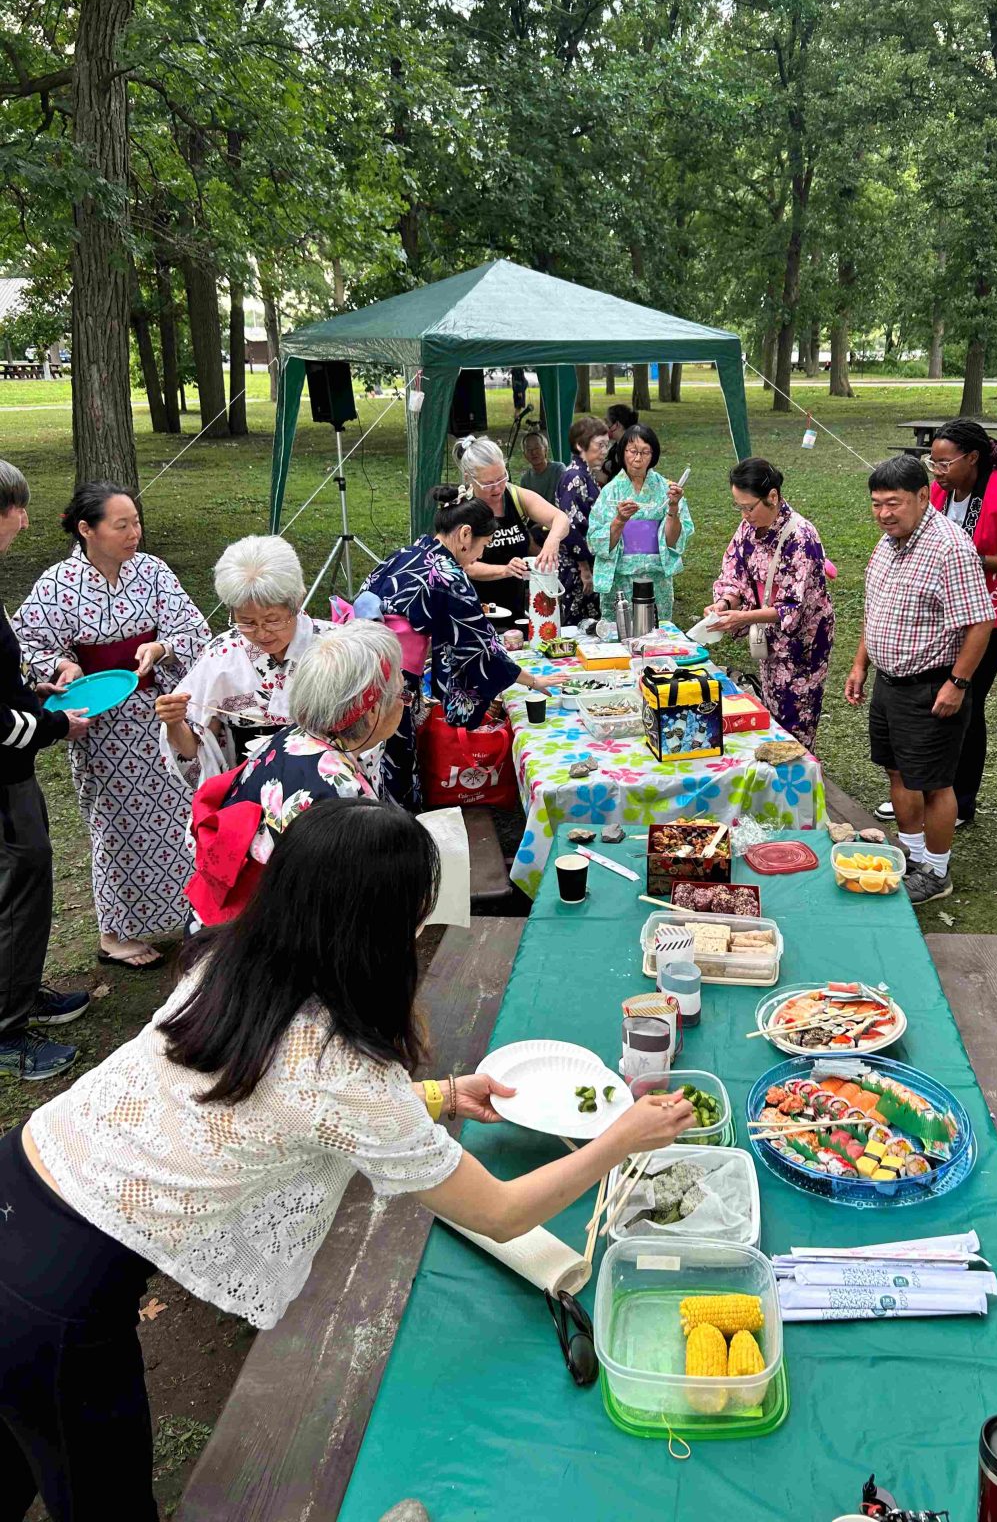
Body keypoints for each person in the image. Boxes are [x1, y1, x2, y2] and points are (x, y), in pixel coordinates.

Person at [0, 798, 695, 1516]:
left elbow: (275, 1104)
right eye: (416, 914)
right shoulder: (343, 1067)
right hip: (54, 1297)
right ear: (376, 931)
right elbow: (501, 1212)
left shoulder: (228, 962)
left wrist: (439, 1097)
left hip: (18, 1177)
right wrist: (619, 1140)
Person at [13, 484, 210, 969]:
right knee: (114, 822)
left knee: (181, 815)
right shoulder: (57, 584)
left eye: (136, 522)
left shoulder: (154, 570)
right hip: (103, 724)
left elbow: (194, 627)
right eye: (121, 525)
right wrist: (63, 664)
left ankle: (193, 912)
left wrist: (161, 648)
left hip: (161, 712)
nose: (133, 533)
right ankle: (115, 933)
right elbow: (25, 644)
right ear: (87, 529)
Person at [875, 419, 997, 825]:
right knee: (922, 703)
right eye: (932, 463)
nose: (937, 472)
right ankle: (916, 789)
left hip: (993, 612)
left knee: (965, 700)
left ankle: (958, 798)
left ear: (972, 458)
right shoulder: (939, 492)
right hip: (941, 612)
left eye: (944, 463)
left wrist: (976, 559)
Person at [844, 456, 994, 905]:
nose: (884, 513)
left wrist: (957, 684)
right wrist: (860, 665)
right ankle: (910, 856)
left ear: (923, 497)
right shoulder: (888, 543)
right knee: (898, 773)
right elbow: (875, 610)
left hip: (931, 687)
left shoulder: (950, 548)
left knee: (934, 783)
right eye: (876, 504)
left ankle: (937, 871)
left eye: (894, 503)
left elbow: (980, 622)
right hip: (889, 683)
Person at [186, 622, 407, 924]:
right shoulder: (342, 794)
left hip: (223, 918)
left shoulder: (292, 737)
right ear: (370, 712)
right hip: (256, 938)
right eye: (403, 694)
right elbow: (347, 910)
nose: (405, 702)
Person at [361, 488, 558, 802]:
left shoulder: (409, 551)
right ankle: (393, 821)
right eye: (483, 544)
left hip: (359, 659)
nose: (481, 554)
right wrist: (533, 681)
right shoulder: (449, 576)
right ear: (465, 534)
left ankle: (370, 807)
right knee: (393, 755)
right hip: (392, 673)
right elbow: (481, 648)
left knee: (367, 753)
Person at [0, 463, 92, 1082]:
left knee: (26, 885)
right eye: (18, 509)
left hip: (13, 771)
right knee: (16, 892)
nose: (27, 521)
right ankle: (6, 1034)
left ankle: (20, 992)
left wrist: (33, 690)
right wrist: (53, 726)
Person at [155, 535, 334, 788]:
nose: (261, 633)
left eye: (272, 620)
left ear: (296, 602)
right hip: (250, 793)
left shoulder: (336, 647)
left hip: (328, 788)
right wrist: (174, 723)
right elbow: (194, 750)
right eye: (247, 622)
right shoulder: (222, 655)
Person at [705, 458, 835, 747]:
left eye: (749, 507)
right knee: (771, 708)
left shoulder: (801, 537)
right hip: (769, 635)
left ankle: (798, 770)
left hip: (802, 644)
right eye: (739, 507)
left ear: (773, 496)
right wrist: (725, 603)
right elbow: (734, 573)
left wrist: (743, 617)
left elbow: (792, 606)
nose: (744, 515)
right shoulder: (748, 528)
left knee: (795, 722)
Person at [587, 423, 692, 627]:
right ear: (622, 452)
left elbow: (673, 542)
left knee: (656, 631)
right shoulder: (610, 492)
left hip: (656, 577)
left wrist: (673, 507)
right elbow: (596, 542)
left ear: (653, 455)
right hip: (620, 576)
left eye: (645, 452)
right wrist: (619, 521)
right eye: (632, 451)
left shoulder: (666, 489)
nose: (638, 458)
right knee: (619, 629)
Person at [456, 437, 570, 625]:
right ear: (469, 478)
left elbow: (560, 519)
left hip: (515, 610)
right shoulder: (462, 509)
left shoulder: (515, 496)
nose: (497, 488)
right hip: (477, 612)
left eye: (502, 478)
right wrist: (505, 570)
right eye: (488, 484)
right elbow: (466, 566)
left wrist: (552, 542)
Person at [554, 414, 609, 626]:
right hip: (576, 565)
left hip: (588, 562)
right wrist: (584, 567)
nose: (604, 451)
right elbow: (571, 526)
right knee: (577, 623)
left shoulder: (586, 475)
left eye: (606, 445)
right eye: (600, 445)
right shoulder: (574, 477)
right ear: (580, 445)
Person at [516, 430, 566, 507]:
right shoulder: (525, 480)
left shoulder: (558, 469)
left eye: (537, 448)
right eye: (529, 449)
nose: (533, 452)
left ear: (545, 449)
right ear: (524, 454)